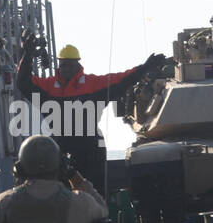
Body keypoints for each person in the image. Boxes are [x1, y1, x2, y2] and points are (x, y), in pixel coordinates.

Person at [15, 36, 166, 195]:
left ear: (78, 64)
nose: (66, 68)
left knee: (95, 192)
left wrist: (145, 67)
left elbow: (123, 79)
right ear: (59, 65)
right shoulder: (47, 86)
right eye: (63, 64)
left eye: (70, 64)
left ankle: (99, 215)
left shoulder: (93, 84)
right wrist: (28, 55)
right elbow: (23, 82)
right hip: (59, 148)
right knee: (59, 193)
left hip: (90, 148)